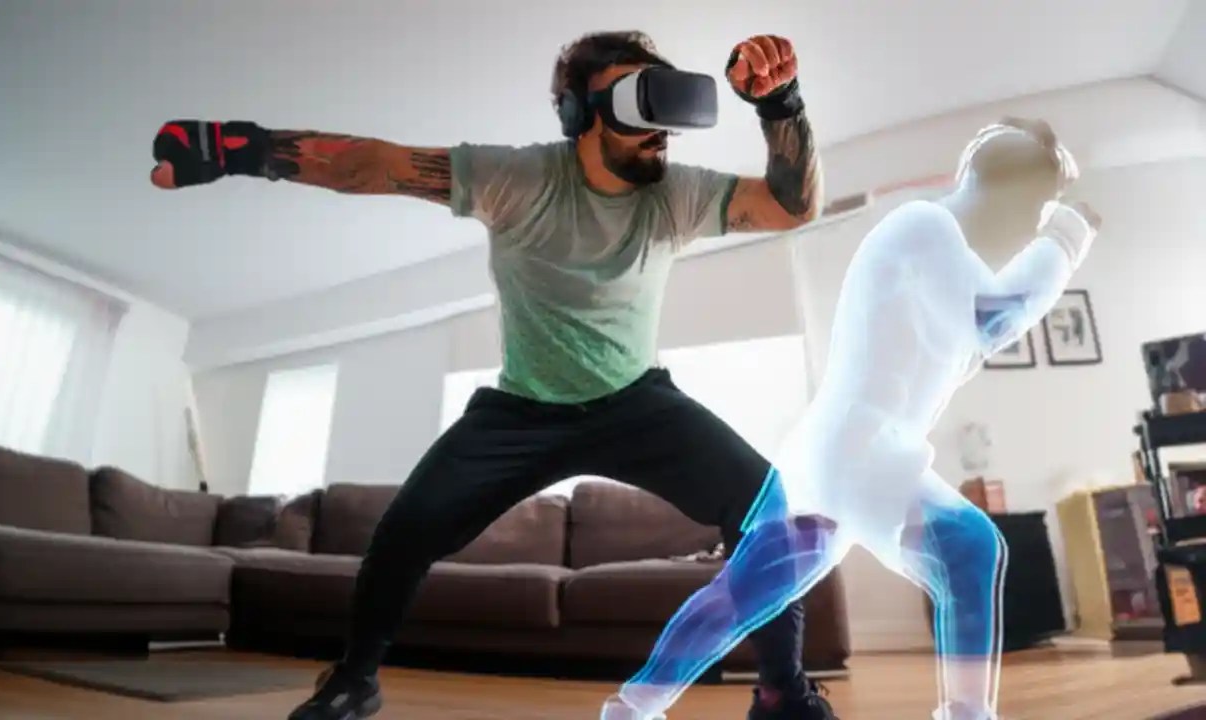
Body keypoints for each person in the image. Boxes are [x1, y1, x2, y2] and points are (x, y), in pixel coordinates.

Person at [150, 30, 834, 720]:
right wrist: (240, 149)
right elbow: (376, 166)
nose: (658, 132)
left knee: (766, 508)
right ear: (578, 116)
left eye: (662, 108)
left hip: (637, 403)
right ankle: (354, 680)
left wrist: (782, 107)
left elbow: (790, 206)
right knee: (405, 531)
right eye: (635, 105)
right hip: (521, 413)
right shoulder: (522, 179)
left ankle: (782, 692)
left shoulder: (674, 194)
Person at [600, 118, 1099, 720]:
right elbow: (993, 320)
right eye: (1039, 206)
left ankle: (629, 710)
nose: (1033, 224)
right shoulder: (926, 225)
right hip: (861, 447)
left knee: (742, 597)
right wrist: (1066, 239)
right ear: (1008, 189)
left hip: (839, 452)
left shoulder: (943, 253)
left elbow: (971, 331)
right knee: (971, 550)